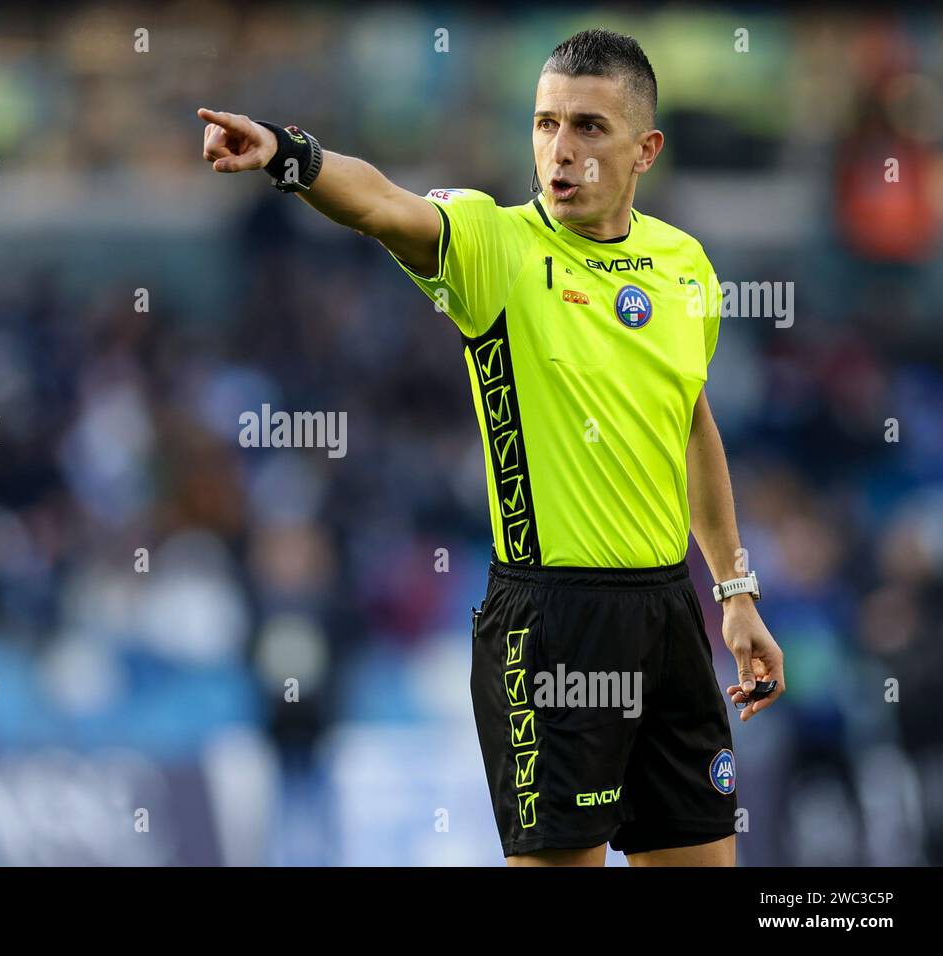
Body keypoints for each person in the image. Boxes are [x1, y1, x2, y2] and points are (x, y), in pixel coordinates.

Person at [198, 28, 785, 867]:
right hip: (550, 625)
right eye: (546, 124)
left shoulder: (683, 266)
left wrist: (734, 589)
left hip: (669, 615)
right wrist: (291, 156)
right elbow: (382, 204)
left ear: (645, 149)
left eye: (589, 127)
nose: (561, 149)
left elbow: (688, 421)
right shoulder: (497, 248)